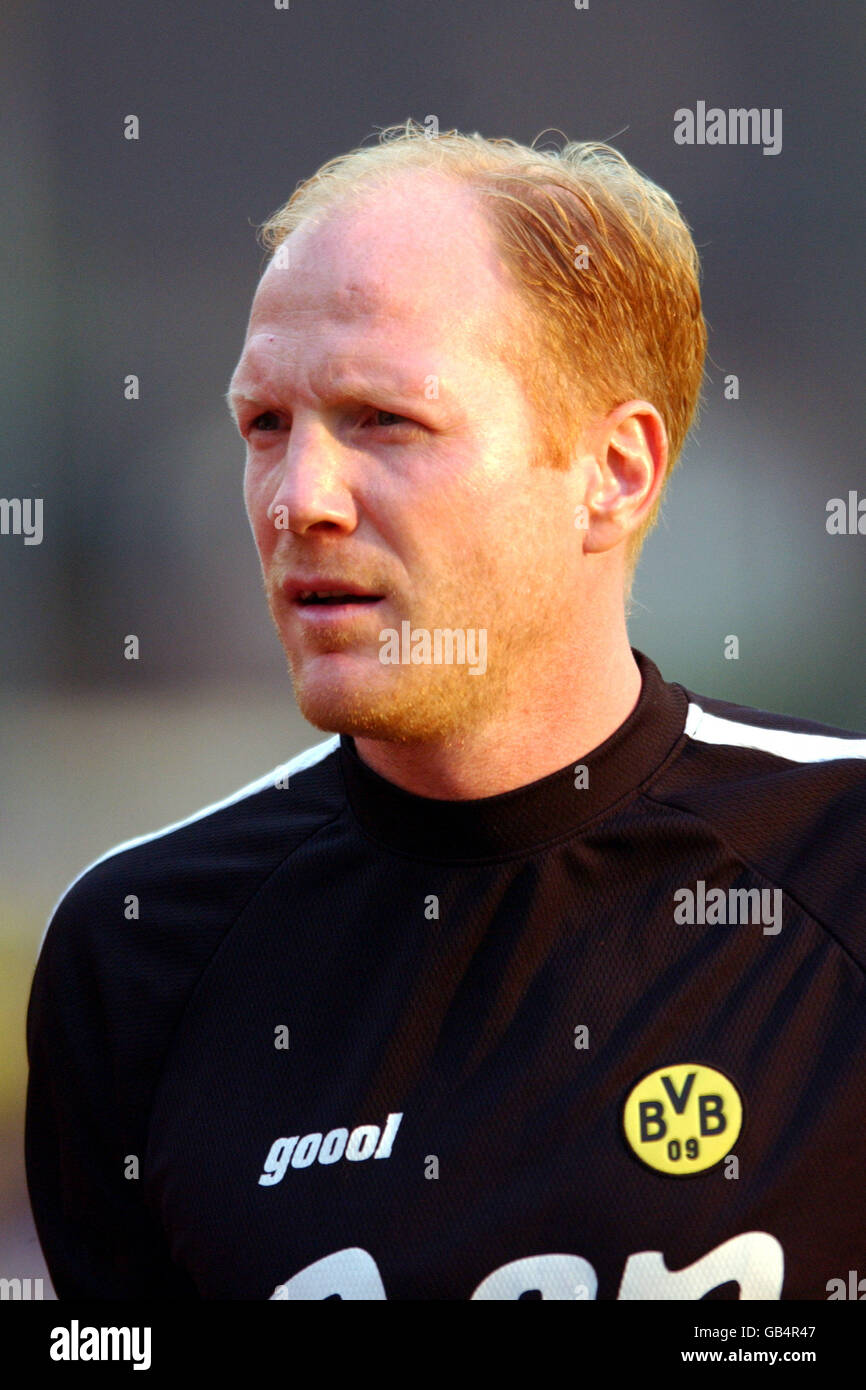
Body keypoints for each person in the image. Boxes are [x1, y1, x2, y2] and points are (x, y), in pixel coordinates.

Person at [26, 120, 866, 1301]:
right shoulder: (139, 942)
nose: (298, 500)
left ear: (613, 473)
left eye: (384, 420)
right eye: (265, 425)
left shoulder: (838, 859)